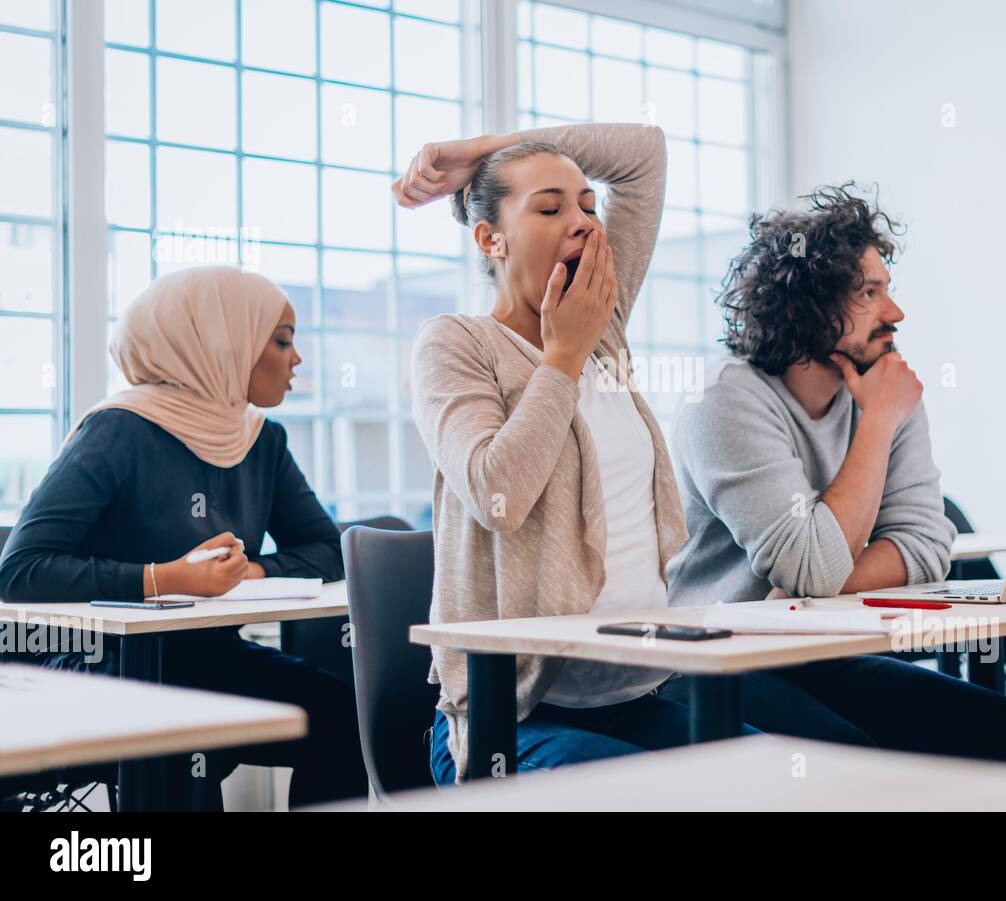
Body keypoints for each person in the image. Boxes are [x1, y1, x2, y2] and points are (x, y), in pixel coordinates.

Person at [396, 123, 758, 786]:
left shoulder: (602, 324)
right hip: (512, 723)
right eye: (549, 207)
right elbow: (495, 493)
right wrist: (561, 358)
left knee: (782, 782)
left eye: (589, 205)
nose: (585, 222)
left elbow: (644, 153)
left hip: (642, 695)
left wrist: (483, 151)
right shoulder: (456, 344)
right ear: (490, 237)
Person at [664, 183, 1006, 766]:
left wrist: (823, 579)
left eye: (887, 290)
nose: (896, 313)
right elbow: (814, 564)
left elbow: (926, 544)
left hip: (813, 647)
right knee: (850, 761)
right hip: (712, 655)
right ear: (803, 305)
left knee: (1003, 730)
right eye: (869, 292)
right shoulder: (725, 399)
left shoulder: (890, 387)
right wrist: (879, 422)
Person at [0, 266, 368, 808]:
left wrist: (250, 572)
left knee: (340, 715)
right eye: (282, 340)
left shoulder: (260, 439)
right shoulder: (118, 430)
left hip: (208, 658)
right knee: (181, 736)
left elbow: (325, 547)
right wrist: (164, 579)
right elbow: (20, 570)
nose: (297, 359)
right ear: (223, 344)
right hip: (108, 665)